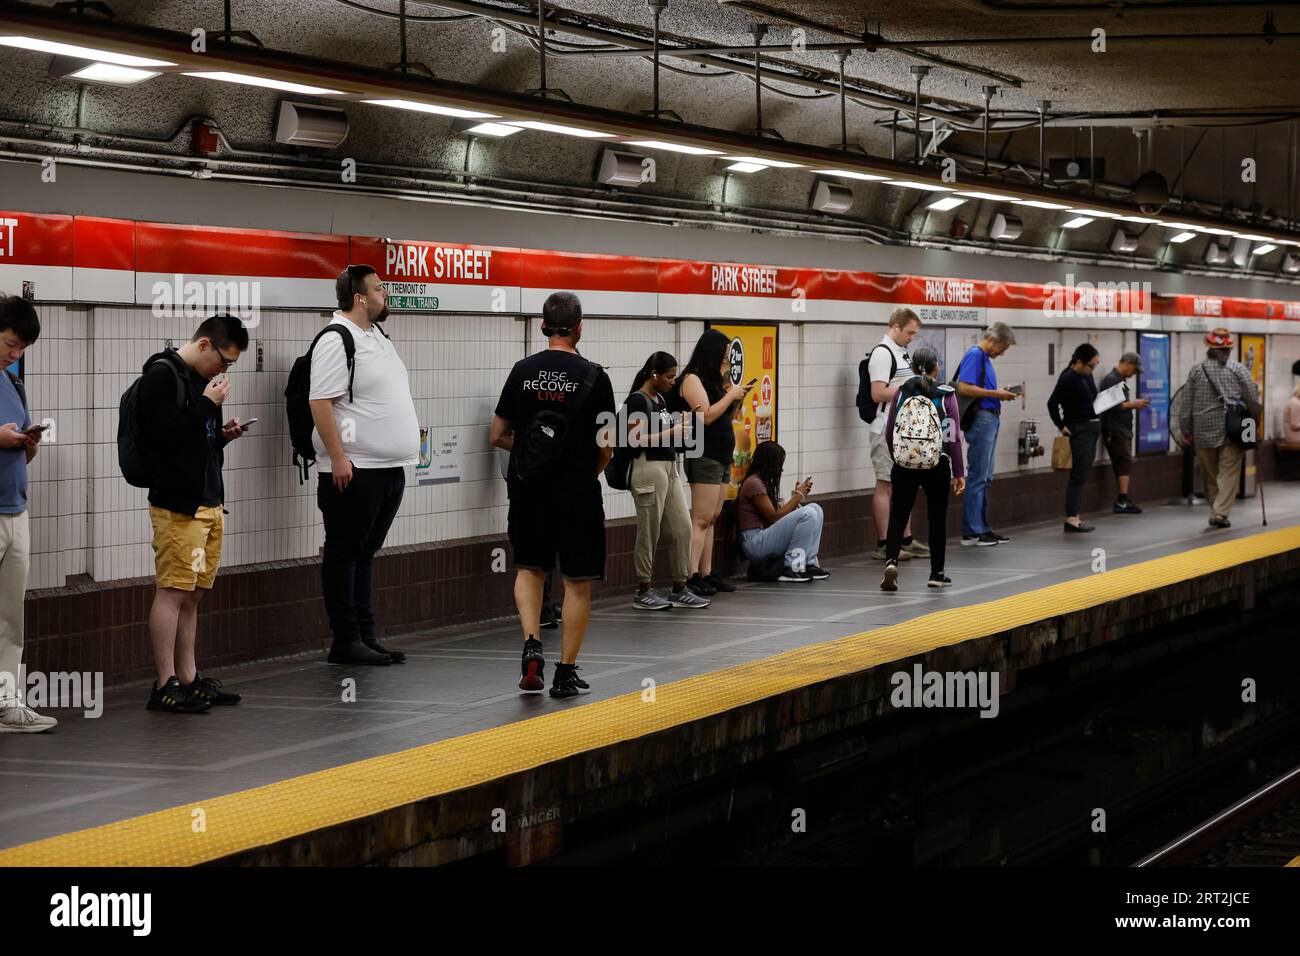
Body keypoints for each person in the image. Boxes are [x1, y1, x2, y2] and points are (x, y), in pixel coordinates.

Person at [491, 291, 616, 699]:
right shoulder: (596, 377)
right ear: (580, 328)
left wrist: (534, 456)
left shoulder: (521, 371)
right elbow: (606, 447)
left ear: (543, 326)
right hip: (576, 491)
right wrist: (578, 469)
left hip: (528, 488)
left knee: (530, 568)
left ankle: (532, 644)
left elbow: (498, 434)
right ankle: (565, 672)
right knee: (576, 581)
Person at [141, 313, 251, 712]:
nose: (224, 370)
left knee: (193, 594)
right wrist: (206, 404)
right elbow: (162, 441)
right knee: (172, 591)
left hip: (209, 502)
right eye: (224, 360)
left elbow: (195, 441)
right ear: (204, 345)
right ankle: (164, 683)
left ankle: (188, 678)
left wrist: (221, 436)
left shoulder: (205, 384)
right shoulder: (162, 376)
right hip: (178, 507)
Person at [310, 265, 419, 666]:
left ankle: (366, 635)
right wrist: (338, 457)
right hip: (354, 470)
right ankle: (346, 640)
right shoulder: (335, 338)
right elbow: (320, 401)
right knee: (344, 551)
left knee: (365, 553)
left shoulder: (377, 336)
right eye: (379, 289)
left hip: (387, 470)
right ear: (360, 297)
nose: (384, 295)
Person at [0, 296, 52, 732]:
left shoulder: (13, 385)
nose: (15, 355)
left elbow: (19, 452)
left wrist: (27, 444)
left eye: (21, 349)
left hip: (16, 512)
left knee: (10, 617)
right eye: (10, 344)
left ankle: (6, 704)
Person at [625, 351, 709, 611]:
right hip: (647, 468)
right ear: (654, 375)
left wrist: (681, 425)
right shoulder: (637, 401)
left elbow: (662, 433)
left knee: (682, 527)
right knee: (649, 530)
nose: (673, 381)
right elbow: (634, 438)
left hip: (669, 467)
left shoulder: (660, 399)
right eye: (669, 377)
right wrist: (671, 431)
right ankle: (643, 589)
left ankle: (679, 586)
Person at [880, 347, 966, 591]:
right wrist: (959, 472)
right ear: (935, 366)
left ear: (914, 367)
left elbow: (890, 430)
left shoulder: (901, 393)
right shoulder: (946, 395)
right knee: (937, 518)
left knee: (898, 514)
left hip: (904, 463)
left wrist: (898, 457)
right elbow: (953, 437)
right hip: (936, 464)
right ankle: (937, 573)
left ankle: (890, 562)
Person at [675, 329, 752, 597]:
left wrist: (735, 400)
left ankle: (706, 573)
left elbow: (723, 418)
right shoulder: (692, 379)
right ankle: (690, 576)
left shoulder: (715, 381)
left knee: (713, 518)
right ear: (712, 352)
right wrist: (730, 396)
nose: (728, 360)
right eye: (725, 355)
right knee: (700, 519)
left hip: (721, 455)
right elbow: (705, 417)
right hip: (703, 455)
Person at [1178, 328, 1261, 529]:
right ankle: (1220, 512)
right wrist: (1254, 423)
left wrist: (1185, 429)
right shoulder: (1239, 369)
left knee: (1210, 473)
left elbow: (1186, 402)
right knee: (1229, 472)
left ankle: (1216, 510)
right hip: (1235, 428)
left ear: (1209, 349)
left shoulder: (1197, 370)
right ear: (1229, 349)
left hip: (1202, 428)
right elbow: (1252, 399)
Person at [867, 307, 927, 561]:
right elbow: (878, 393)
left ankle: (905, 538)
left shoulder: (901, 353)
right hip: (885, 429)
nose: (912, 338)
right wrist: (910, 387)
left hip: (903, 429)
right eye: (910, 332)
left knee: (904, 484)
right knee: (885, 484)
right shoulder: (882, 354)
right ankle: (883, 543)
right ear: (896, 327)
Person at [954, 322, 1019, 546]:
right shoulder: (976, 354)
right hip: (981, 418)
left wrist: (1000, 392)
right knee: (978, 476)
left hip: (990, 417)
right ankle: (972, 530)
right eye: (1003, 347)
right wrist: (996, 394)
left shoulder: (985, 359)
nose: (1002, 352)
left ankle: (982, 527)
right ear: (992, 339)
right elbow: (963, 387)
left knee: (986, 477)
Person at [735, 441, 829, 583]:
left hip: (763, 537)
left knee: (816, 509)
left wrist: (796, 498)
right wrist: (798, 497)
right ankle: (791, 567)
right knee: (808, 513)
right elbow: (773, 517)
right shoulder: (754, 483)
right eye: (779, 464)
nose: (781, 470)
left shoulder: (761, 482)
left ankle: (807, 563)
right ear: (769, 463)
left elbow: (776, 517)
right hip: (755, 542)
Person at [1048, 344, 1103, 533]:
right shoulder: (1068, 378)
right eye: (1091, 365)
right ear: (1079, 361)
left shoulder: (1085, 375)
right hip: (1079, 428)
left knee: (1083, 472)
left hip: (1091, 426)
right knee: (1078, 474)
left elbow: (1091, 398)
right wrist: (1062, 426)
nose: (1092, 369)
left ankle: (1075, 515)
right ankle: (1072, 517)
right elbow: (1052, 403)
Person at [1098, 352, 1151, 514]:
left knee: (1123, 462)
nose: (1134, 374)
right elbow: (1110, 406)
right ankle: (1122, 500)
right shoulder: (1112, 380)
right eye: (1134, 370)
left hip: (1120, 429)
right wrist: (1133, 404)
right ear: (1127, 363)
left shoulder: (1118, 380)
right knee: (1124, 461)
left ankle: (1123, 498)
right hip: (1115, 429)